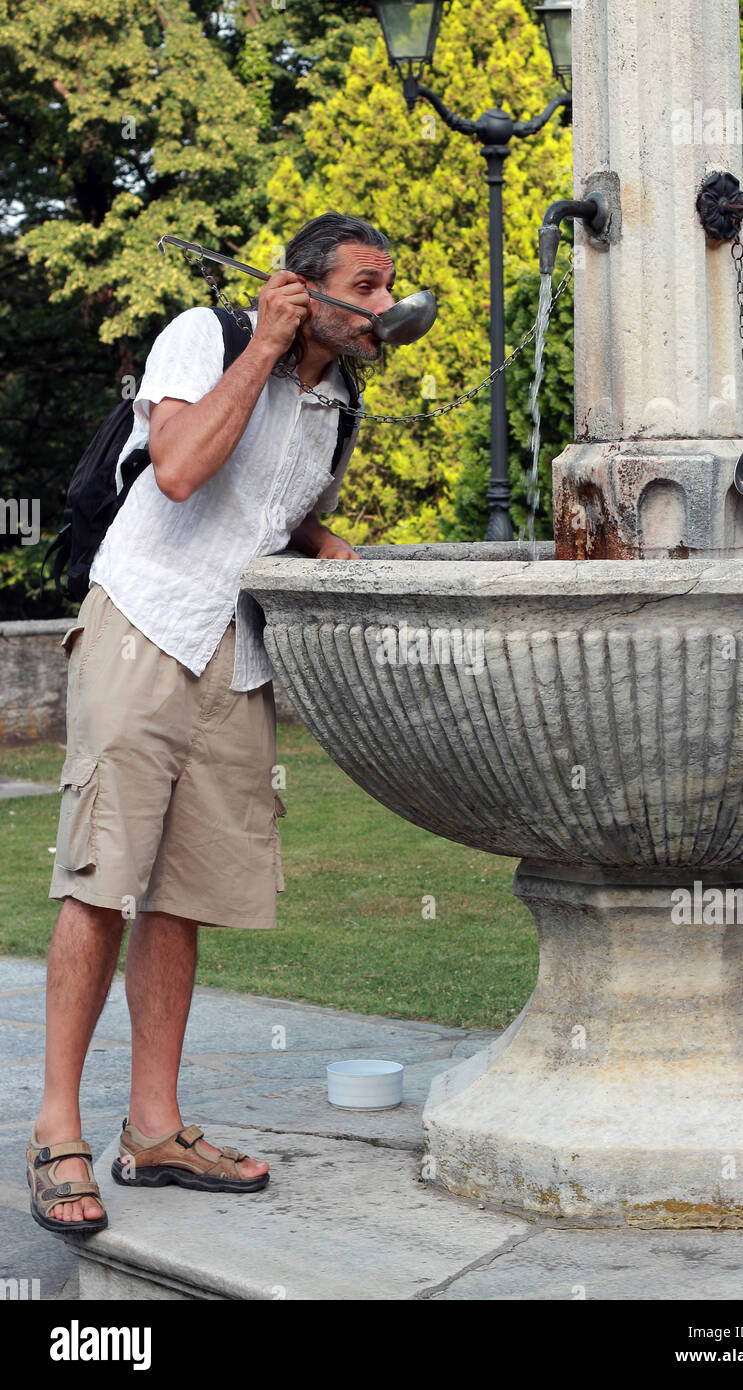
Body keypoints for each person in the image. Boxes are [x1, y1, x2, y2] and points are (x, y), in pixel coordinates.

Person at [26, 212, 396, 1233]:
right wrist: (265, 346)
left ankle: (153, 1129)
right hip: (144, 623)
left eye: (386, 289)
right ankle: (56, 1129)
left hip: (234, 649)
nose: (382, 307)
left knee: (180, 896)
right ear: (301, 289)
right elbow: (182, 466)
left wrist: (320, 540)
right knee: (102, 879)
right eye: (365, 287)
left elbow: (265, 501)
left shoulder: (339, 401)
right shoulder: (207, 335)